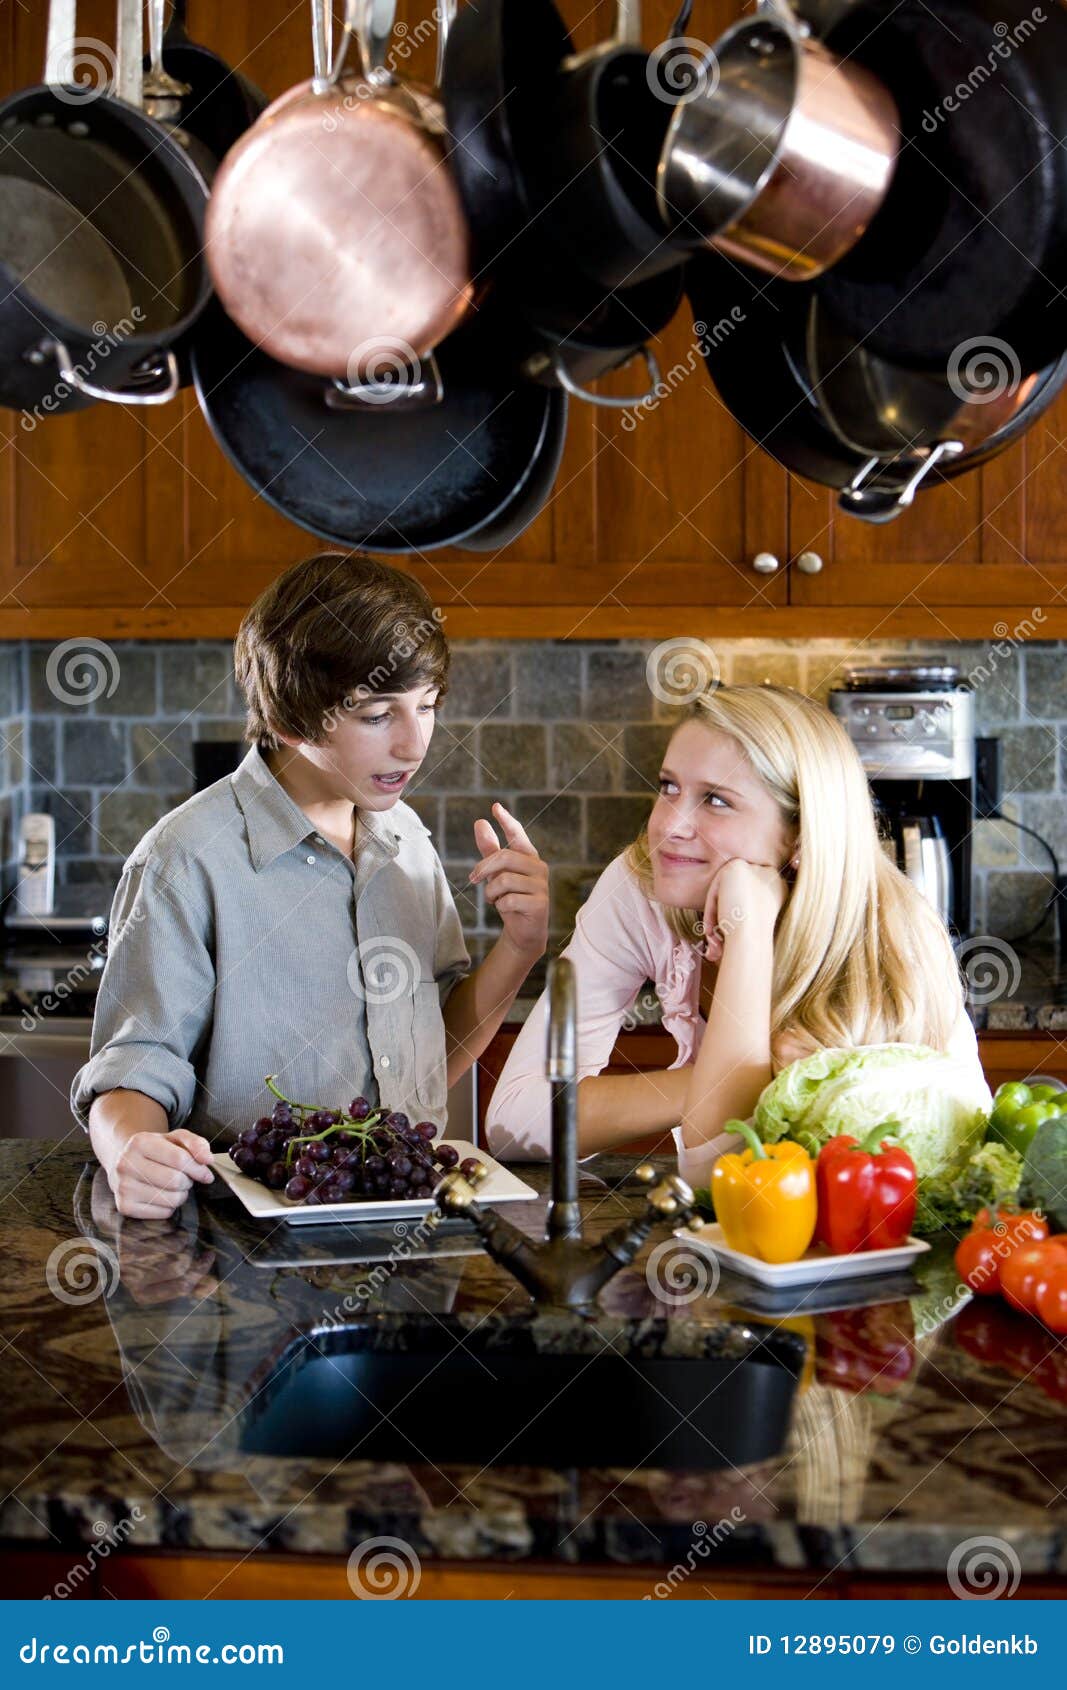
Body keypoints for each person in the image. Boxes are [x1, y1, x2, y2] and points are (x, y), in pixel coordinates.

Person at [73, 552, 549, 1219]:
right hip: (240, 1246)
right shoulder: (186, 858)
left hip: (401, 1234)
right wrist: (128, 1148)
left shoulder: (405, 838)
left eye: (427, 706)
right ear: (294, 719)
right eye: (378, 715)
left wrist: (522, 946)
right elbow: (133, 1069)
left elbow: (426, 1060)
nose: (414, 745)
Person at [486, 682, 981, 1187]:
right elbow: (516, 1120)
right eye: (669, 786)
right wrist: (747, 1080)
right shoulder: (640, 888)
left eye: (716, 801)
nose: (670, 826)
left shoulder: (898, 932)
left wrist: (747, 930)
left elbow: (969, 1147)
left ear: (800, 835)